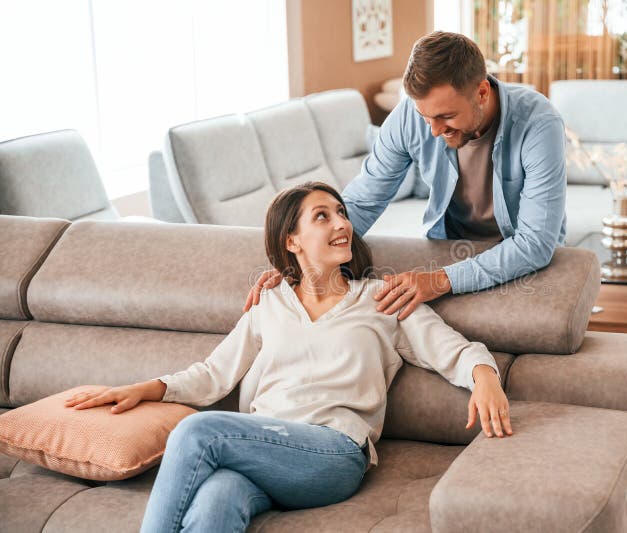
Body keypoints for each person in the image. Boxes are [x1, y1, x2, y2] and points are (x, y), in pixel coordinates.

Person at [64, 182, 512, 533]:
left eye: (342, 213)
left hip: (333, 453)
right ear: (292, 240)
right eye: (322, 216)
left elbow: (455, 350)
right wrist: (145, 389)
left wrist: (486, 378)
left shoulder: (380, 297)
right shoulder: (271, 301)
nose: (341, 223)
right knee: (218, 498)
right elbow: (213, 375)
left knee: (198, 430)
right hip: (262, 449)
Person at [244, 31, 567, 320]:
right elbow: (364, 199)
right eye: (426, 117)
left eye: (447, 116)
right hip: (449, 247)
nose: (436, 131)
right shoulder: (408, 118)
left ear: (482, 92)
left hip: (519, 255)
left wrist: (440, 280)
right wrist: (295, 263)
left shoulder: (538, 123)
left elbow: (535, 243)